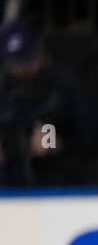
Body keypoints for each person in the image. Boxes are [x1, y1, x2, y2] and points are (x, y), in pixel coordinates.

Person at [0, 17, 92, 186]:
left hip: (57, 184)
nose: (21, 69)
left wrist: (59, 143)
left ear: (39, 51)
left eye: (27, 60)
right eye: (16, 63)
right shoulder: (4, 87)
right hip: (9, 186)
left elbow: (93, 136)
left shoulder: (64, 84)